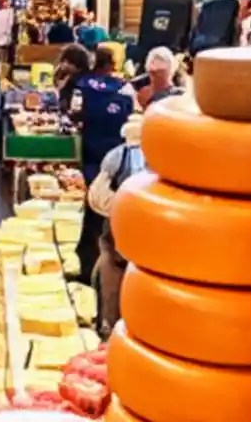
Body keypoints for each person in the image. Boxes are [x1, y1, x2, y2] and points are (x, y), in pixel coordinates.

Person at [72, 45, 135, 283]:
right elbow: (131, 117)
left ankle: (86, 267)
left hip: (90, 153)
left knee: (92, 213)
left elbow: (75, 114)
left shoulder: (83, 85)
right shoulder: (126, 89)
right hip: (118, 160)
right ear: (114, 64)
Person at [86, 114, 144, 336]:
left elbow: (97, 197)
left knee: (111, 276)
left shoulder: (117, 156)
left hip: (118, 228)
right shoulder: (163, 158)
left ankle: (108, 328)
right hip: (152, 231)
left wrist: (118, 206)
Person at [55, 44, 93, 114]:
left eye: (69, 62)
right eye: (63, 61)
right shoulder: (62, 73)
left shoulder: (82, 79)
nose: (65, 64)